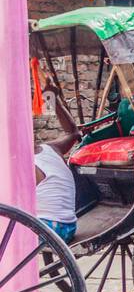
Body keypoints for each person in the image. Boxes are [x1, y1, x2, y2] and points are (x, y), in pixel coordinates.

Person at [34, 95, 82, 244]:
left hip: (50, 230)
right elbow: (73, 133)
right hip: (68, 227)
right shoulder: (50, 148)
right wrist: (53, 99)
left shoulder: (28, 166)